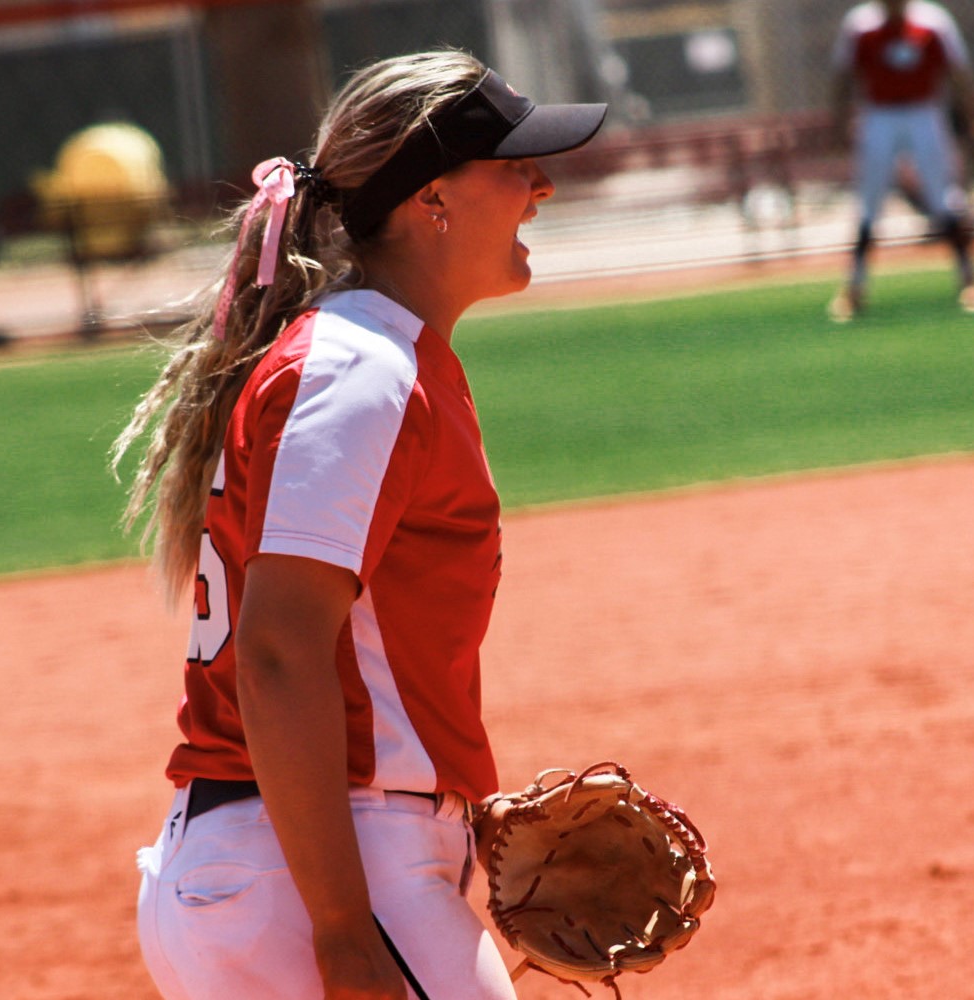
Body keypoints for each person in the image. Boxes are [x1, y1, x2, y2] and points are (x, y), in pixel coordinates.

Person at [112, 50, 606, 1000]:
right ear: (432, 200)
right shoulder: (359, 371)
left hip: (300, 856)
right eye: (513, 166)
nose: (540, 186)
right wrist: (342, 931)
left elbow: (356, 661)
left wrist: (458, 809)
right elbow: (279, 657)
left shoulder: (381, 359)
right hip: (318, 873)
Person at [828, 0, 974, 322]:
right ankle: (854, 287)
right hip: (879, 114)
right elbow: (842, 77)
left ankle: (969, 278)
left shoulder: (932, 21)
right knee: (868, 202)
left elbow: (958, 73)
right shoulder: (860, 25)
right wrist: (838, 124)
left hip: (923, 112)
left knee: (943, 196)